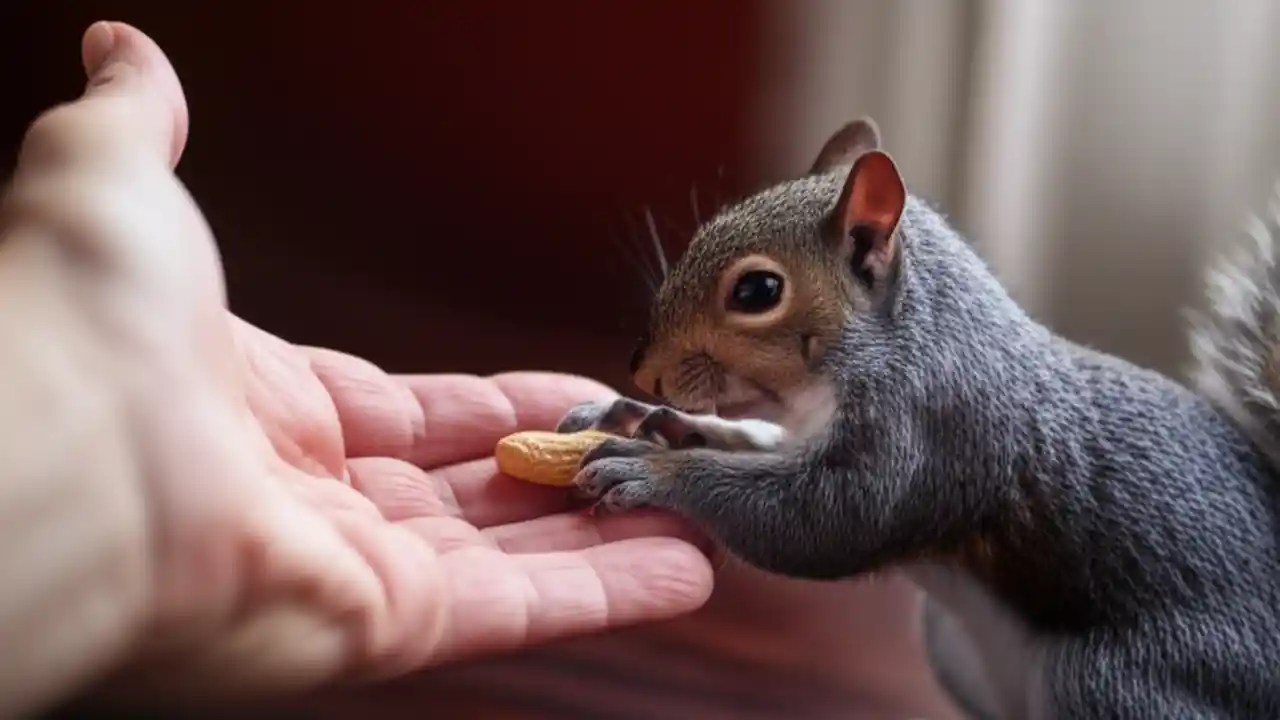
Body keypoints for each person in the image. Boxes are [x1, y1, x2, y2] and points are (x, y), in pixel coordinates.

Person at [2, 22, 958, 719]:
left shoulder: (920, 412)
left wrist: (675, 467)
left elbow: (836, 516)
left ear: (871, 245)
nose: (658, 375)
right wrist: (105, 448)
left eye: (752, 300)